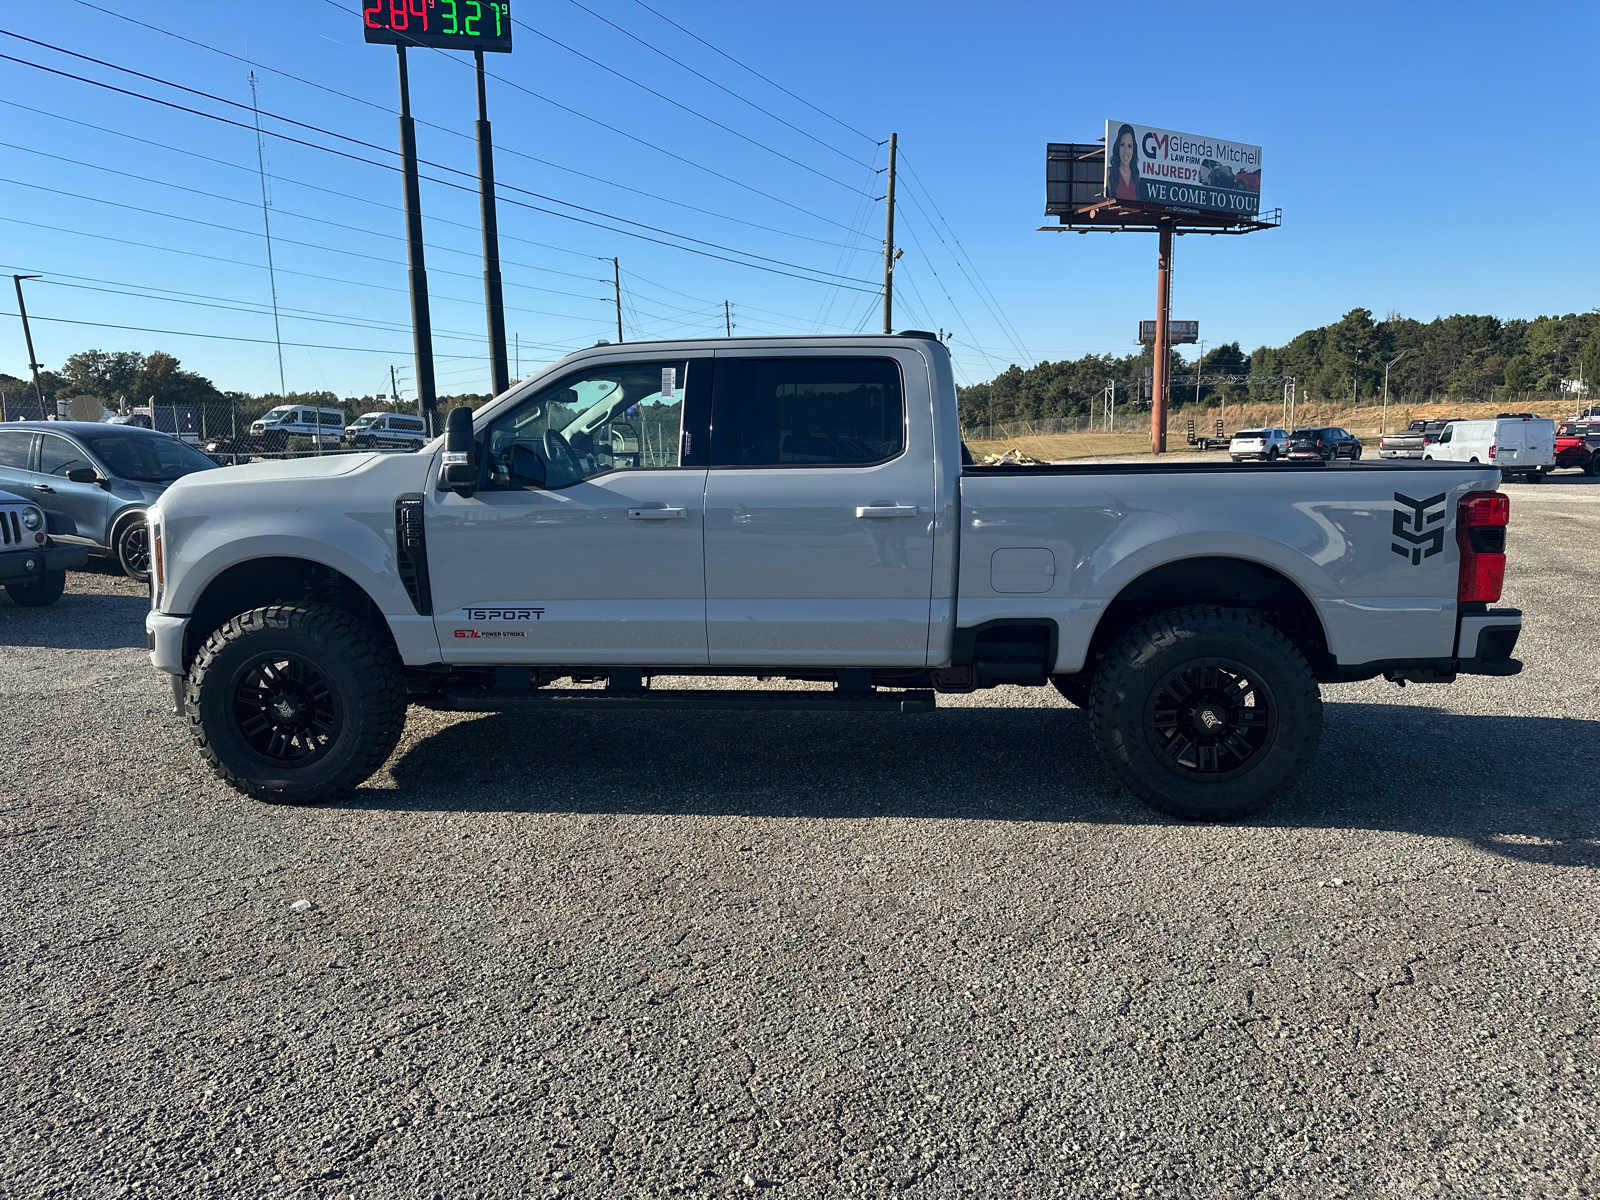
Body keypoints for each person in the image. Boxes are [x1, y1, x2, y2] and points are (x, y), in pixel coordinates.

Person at [1107, 123, 1143, 202]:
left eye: (1129, 146)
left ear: (1134, 149)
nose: (1126, 151)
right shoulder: (1110, 172)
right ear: (1118, 147)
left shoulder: (1136, 174)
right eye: (1122, 145)